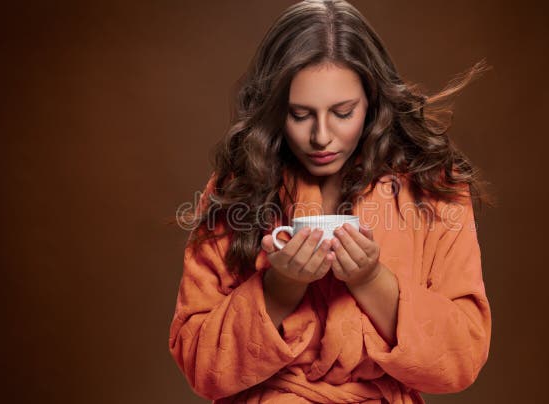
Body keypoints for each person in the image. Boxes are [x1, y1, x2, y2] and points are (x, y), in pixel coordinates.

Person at [168, 1, 494, 402]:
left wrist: (370, 280)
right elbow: (198, 363)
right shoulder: (238, 188)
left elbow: (463, 356)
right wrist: (279, 288)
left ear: (372, 100)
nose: (321, 137)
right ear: (274, 110)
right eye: (300, 114)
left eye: (342, 112)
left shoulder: (432, 186)